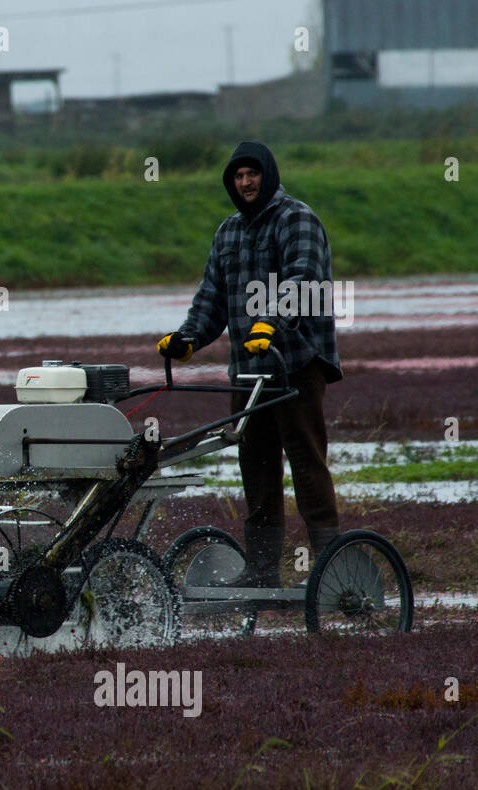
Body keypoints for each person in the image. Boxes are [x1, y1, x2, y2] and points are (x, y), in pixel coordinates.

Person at [156, 140, 342, 587]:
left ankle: (329, 565)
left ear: (268, 175)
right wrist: (188, 340)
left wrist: (271, 323)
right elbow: (212, 298)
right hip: (248, 370)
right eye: (237, 177)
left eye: (252, 174)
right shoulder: (228, 231)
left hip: (296, 363)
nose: (245, 182)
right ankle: (261, 571)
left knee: (306, 461)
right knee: (256, 465)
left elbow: (304, 279)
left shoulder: (297, 218)